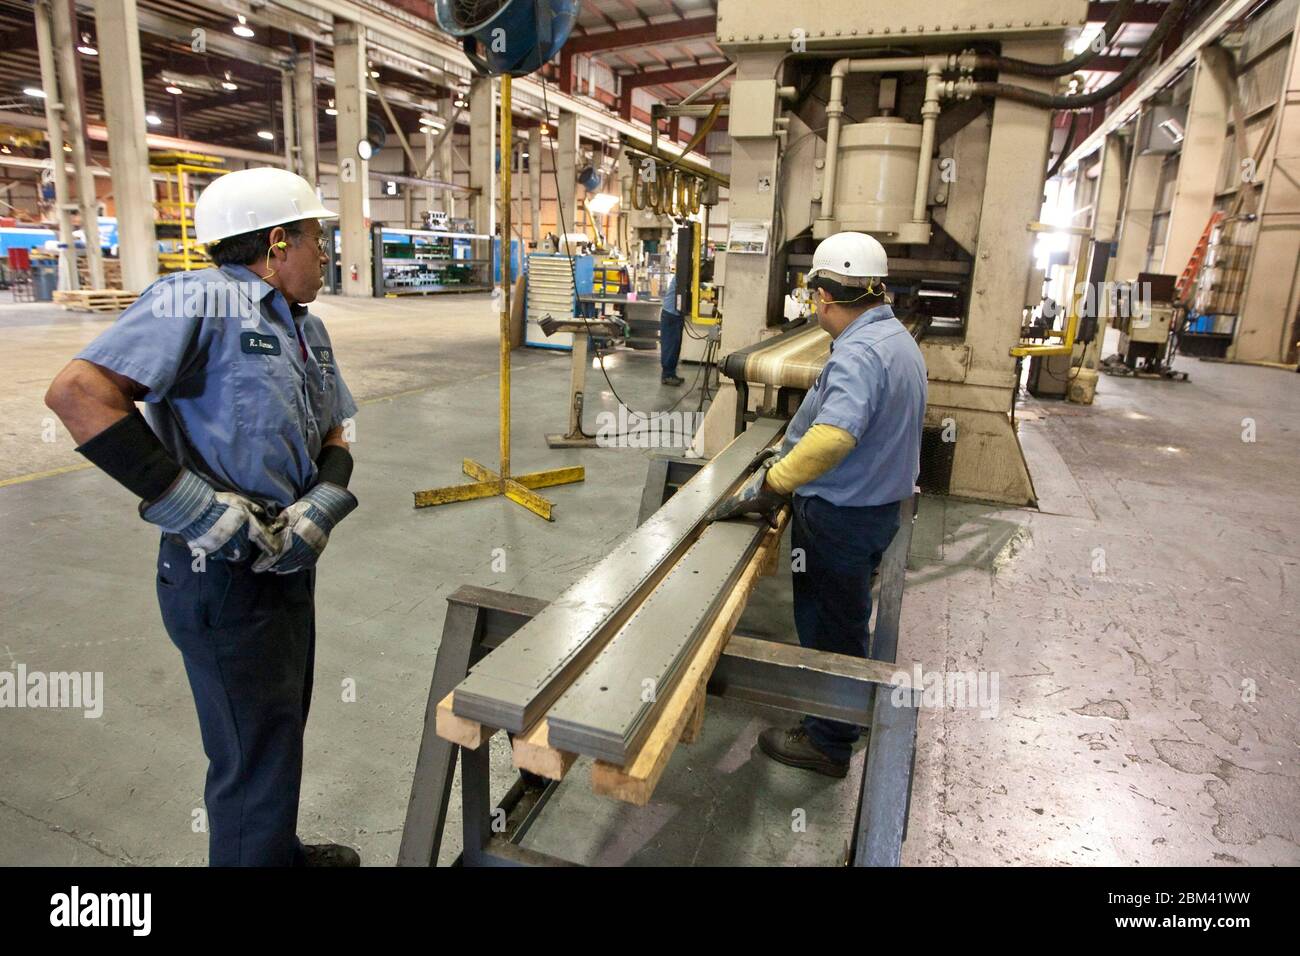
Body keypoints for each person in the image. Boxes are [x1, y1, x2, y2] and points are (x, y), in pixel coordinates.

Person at [44, 167, 362, 865]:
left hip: (287, 560)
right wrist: (194, 509)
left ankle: (271, 849)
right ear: (278, 242)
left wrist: (322, 503)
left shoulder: (305, 329)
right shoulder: (197, 299)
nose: (326, 253)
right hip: (218, 573)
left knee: (276, 726)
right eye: (318, 238)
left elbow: (337, 429)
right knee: (247, 751)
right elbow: (79, 393)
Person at [709, 231, 927, 778]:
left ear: (825, 297)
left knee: (830, 624)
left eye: (814, 298)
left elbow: (834, 437)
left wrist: (775, 483)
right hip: (879, 509)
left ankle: (829, 741)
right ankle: (841, 716)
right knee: (849, 616)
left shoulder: (857, 354)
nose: (814, 308)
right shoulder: (897, 340)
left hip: (841, 517)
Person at [659, 271, 685, 386]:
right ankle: (667, 375)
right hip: (671, 314)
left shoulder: (683, 275)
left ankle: (671, 373)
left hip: (675, 314)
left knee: (675, 347)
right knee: (670, 346)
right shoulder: (682, 276)